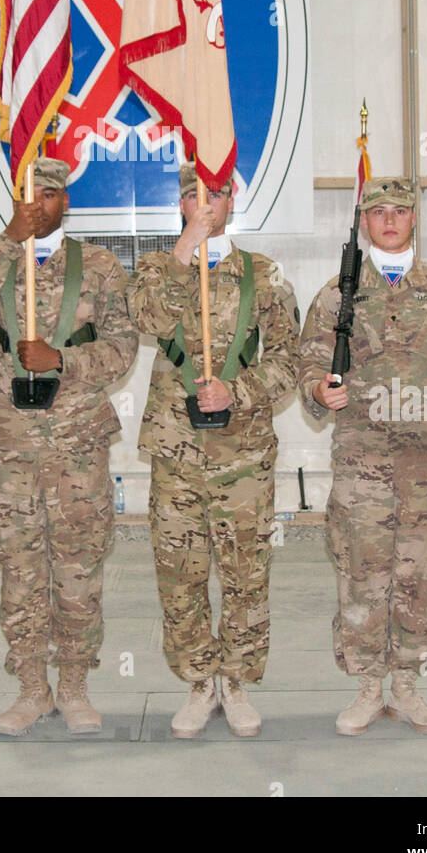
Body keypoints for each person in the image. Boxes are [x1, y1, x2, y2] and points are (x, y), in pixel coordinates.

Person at [0, 157, 138, 736]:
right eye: (28, 196)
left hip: (78, 445)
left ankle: (76, 684)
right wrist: (7, 242)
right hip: (12, 445)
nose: (39, 204)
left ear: (66, 202)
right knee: (19, 569)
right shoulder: (1, 260)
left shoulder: (101, 267)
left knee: (80, 567)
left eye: (50, 195)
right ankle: (32, 687)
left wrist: (63, 360)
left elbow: (123, 350)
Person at [299, 176, 427, 736]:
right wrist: (317, 390)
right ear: (365, 222)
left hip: (426, 459)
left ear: (414, 218)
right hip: (362, 458)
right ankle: (367, 687)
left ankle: (407, 688)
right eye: (378, 212)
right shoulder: (338, 293)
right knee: (361, 571)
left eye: (400, 211)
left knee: (419, 574)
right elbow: (308, 361)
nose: (390, 220)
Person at [127, 162, 300, 738]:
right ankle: (200, 678)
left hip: (242, 453)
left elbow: (287, 362)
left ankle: (238, 679)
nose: (205, 204)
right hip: (176, 449)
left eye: (216, 194)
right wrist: (186, 248)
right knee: (180, 570)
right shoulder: (157, 267)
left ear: (232, 200)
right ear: (180, 205)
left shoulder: (264, 275)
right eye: (193, 196)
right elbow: (146, 316)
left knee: (245, 571)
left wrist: (240, 389)